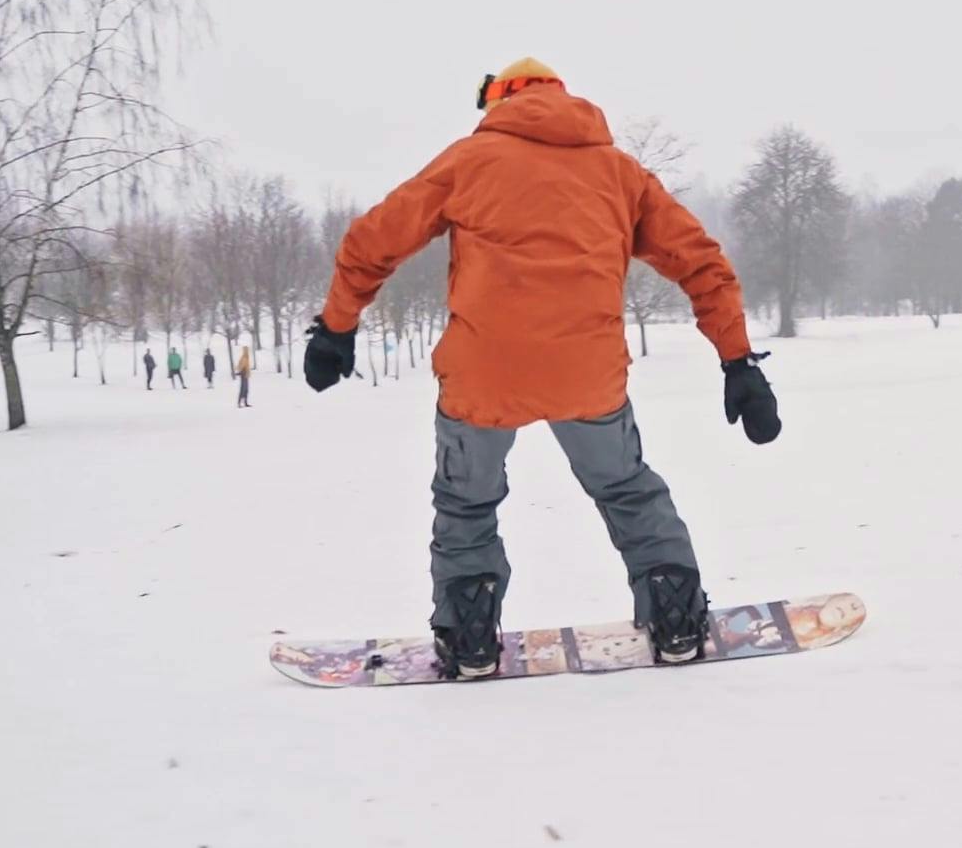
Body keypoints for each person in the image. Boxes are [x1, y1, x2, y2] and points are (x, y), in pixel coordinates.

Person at [303, 57, 781, 681]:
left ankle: (470, 636)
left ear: (498, 102)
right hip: (587, 374)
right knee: (626, 489)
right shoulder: (619, 172)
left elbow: (373, 239)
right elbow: (702, 263)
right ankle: (676, 616)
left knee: (466, 503)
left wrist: (338, 325)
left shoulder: (467, 161)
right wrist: (737, 359)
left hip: (483, 374)